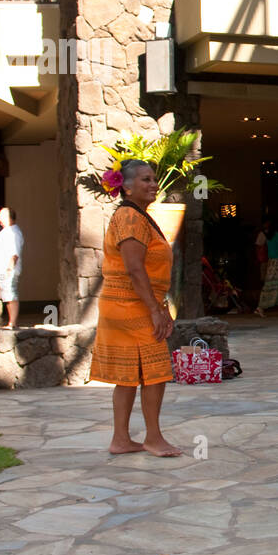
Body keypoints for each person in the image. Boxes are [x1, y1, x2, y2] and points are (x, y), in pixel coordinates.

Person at [89, 159, 181, 458]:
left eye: (154, 179)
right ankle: (153, 438)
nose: (153, 184)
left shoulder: (138, 216)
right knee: (154, 372)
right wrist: (155, 310)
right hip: (130, 304)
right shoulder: (130, 218)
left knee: (128, 374)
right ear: (126, 186)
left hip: (130, 302)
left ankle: (121, 439)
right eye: (145, 179)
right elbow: (134, 269)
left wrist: (161, 305)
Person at [0, 206, 24, 329]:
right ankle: (11, 322)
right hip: (3, 271)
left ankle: (12, 322)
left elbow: (14, 252)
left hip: (8, 271)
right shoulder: (8, 231)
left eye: (0, 216)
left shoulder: (14, 232)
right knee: (7, 296)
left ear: (8, 217)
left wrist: (9, 269)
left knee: (11, 295)